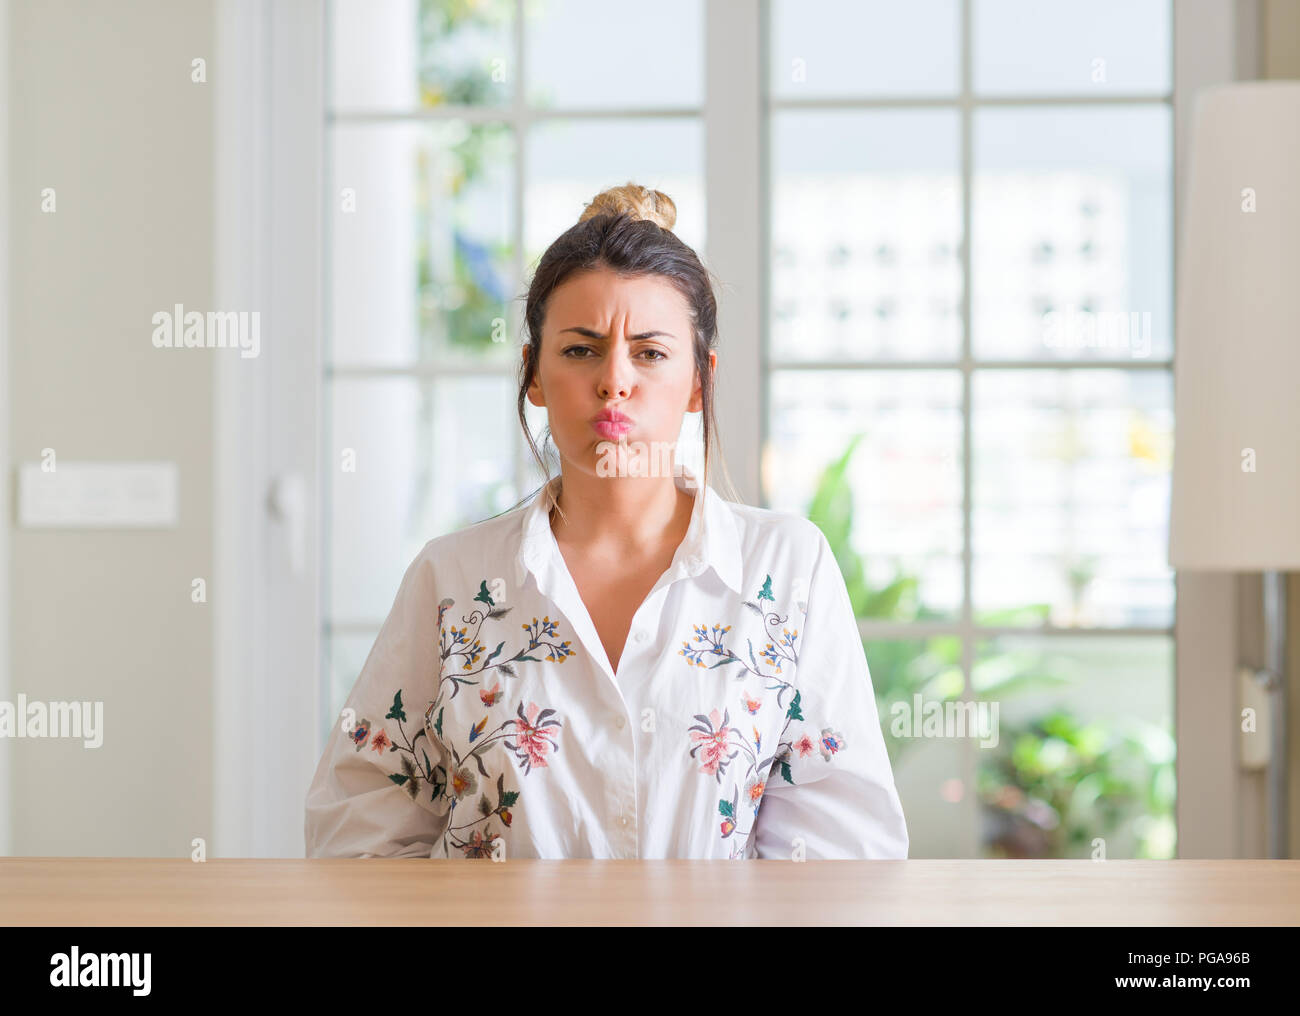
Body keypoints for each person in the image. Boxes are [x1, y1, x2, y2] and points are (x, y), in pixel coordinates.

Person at [304, 182, 909, 860]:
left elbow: (845, 847)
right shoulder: (454, 577)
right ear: (532, 373)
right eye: (580, 350)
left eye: (650, 352)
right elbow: (359, 821)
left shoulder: (786, 567)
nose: (614, 380)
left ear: (699, 381)